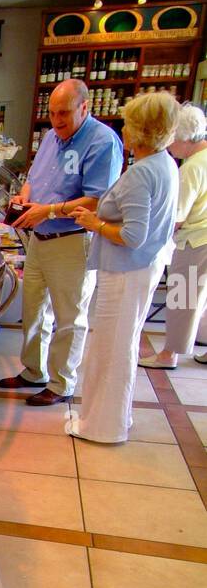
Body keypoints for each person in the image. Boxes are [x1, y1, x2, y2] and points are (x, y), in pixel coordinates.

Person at [0, 79, 124, 406]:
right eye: (53, 113)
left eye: (64, 113)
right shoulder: (51, 138)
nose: (57, 120)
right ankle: (33, 371)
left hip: (73, 240)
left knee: (70, 317)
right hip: (40, 239)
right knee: (35, 308)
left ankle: (61, 383)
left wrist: (49, 210)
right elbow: (33, 179)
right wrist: (24, 198)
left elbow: (99, 199)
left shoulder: (103, 142)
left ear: (85, 107)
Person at [69, 92, 180, 444]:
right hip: (143, 267)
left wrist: (93, 222)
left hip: (126, 269)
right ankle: (116, 418)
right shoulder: (165, 163)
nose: (124, 131)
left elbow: (132, 234)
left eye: (128, 124)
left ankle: (102, 427)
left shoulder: (141, 173)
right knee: (122, 346)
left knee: (110, 350)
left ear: (140, 130)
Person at [138, 103, 207, 369]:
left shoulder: (191, 168)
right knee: (200, 299)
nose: (169, 147)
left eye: (172, 139)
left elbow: (176, 216)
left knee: (183, 299)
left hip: (195, 240)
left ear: (184, 137)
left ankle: (169, 354)